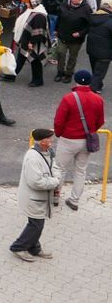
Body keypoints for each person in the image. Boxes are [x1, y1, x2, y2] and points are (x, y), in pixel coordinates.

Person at [53, 69, 104, 210]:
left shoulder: (69, 98)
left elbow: (59, 121)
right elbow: (100, 121)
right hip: (86, 141)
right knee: (81, 171)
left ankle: (55, 197)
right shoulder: (98, 99)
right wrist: (91, 131)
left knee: (59, 169)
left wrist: (59, 134)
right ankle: (74, 200)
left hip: (68, 139)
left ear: (76, 80)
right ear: (89, 82)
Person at [10, 128, 61, 262]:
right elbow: (36, 182)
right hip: (33, 198)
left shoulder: (48, 152)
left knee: (37, 224)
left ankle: (34, 247)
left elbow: (54, 167)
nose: (52, 140)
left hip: (41, 198)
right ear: (42, 141)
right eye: (49, 138)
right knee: (36, 225)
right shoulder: (33, 158)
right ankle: (18, 247)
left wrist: (56, 176)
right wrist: (54, 181)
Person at [53, 0, 92, 84]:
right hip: (62, 35)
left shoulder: (87, 8)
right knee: (60, 53)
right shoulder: (64, 3)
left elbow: (90, 25)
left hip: (76, 39)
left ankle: (68, 74)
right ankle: (60, 72)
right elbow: (59, 17)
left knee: (72, 57)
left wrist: (80, 33)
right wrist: (56, 29)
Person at [14, 0, 51, 87]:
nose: (26, 4)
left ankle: (38, 80)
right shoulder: (32, 10)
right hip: (26, 41)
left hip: (34, 43)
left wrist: (32, 42)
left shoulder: (39, 15)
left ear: (33, 3)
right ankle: (11, 74)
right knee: (21, 58)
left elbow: (39, 31)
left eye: (27, 2)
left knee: (35, 61)